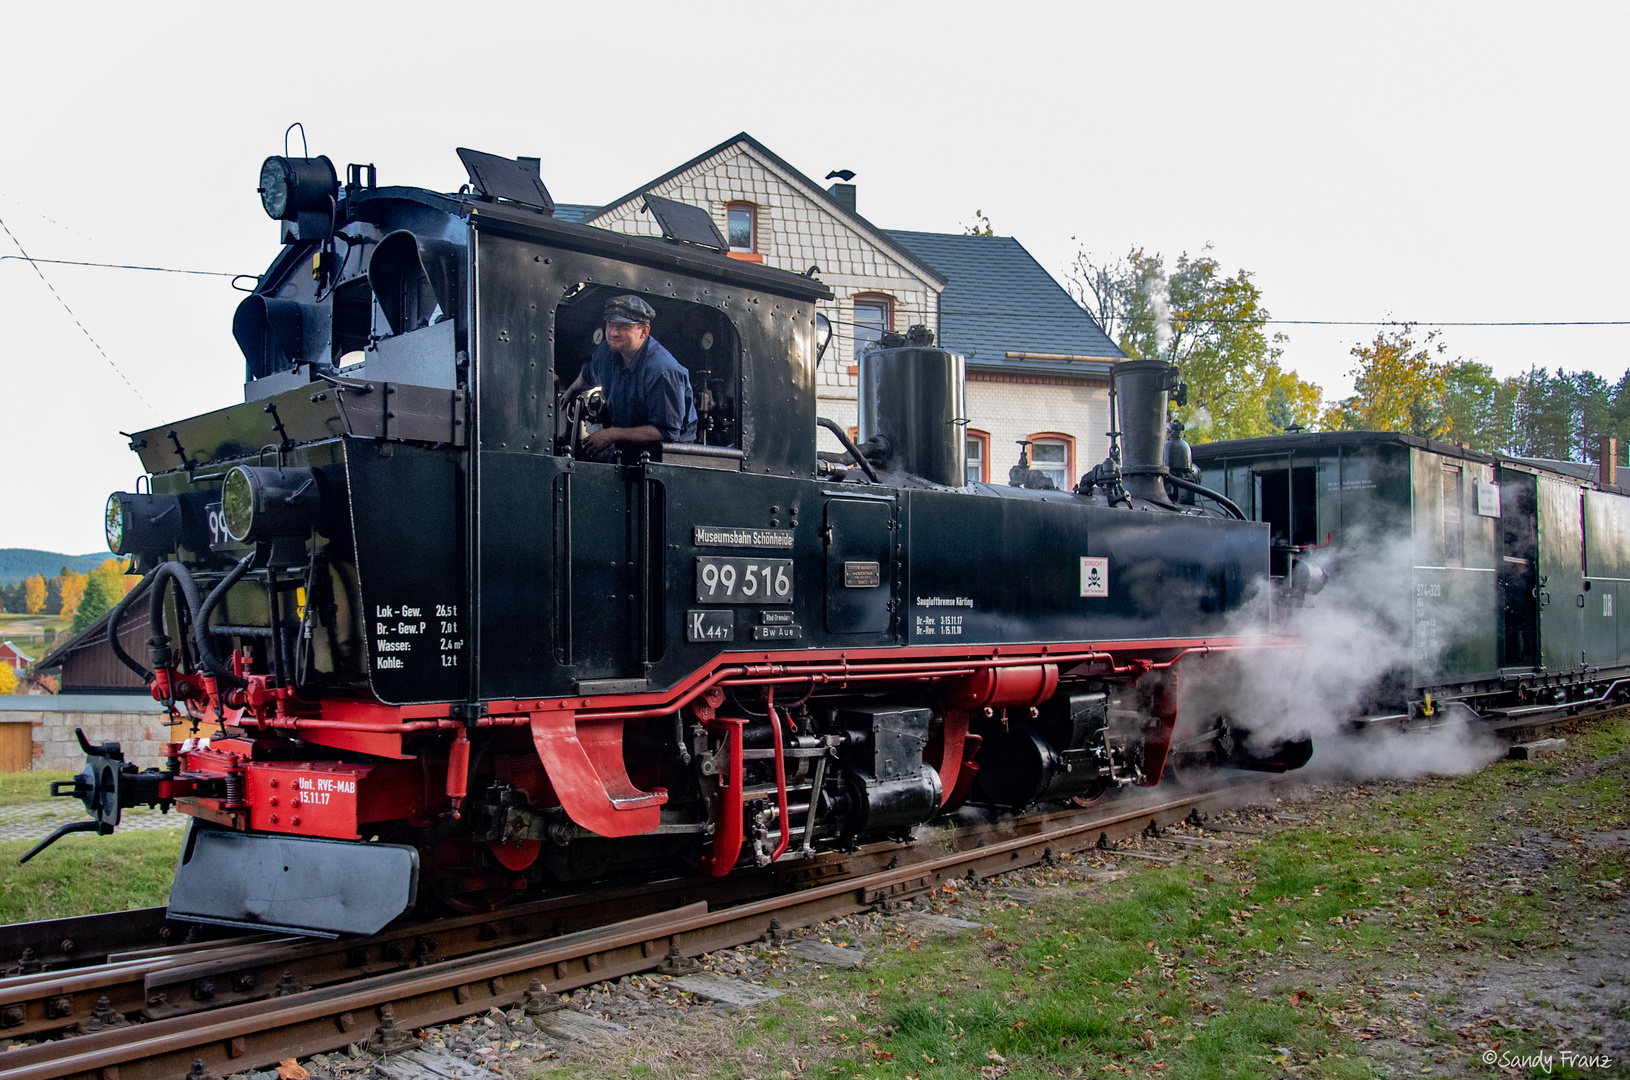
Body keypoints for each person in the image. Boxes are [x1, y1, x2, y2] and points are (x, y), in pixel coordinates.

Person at [561, 294, 697, 459]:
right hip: (628, 442)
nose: (613, 333)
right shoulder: (606, 352)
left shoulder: (662, 371)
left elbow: (666, 431)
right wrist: (572, 390)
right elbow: (589, 374)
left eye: (624, 326)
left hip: (668, 453)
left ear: (644, 332)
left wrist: (612, 434)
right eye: (610, 324)